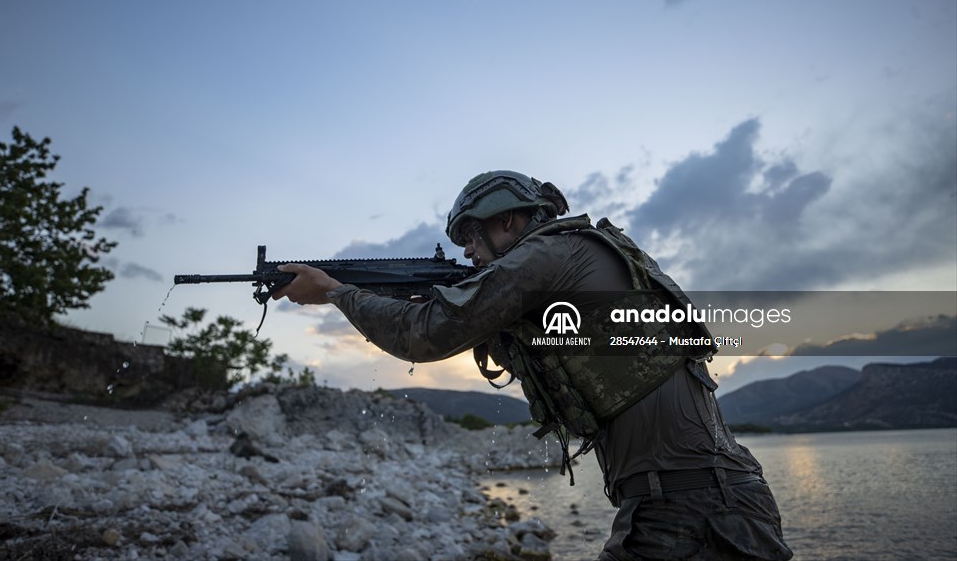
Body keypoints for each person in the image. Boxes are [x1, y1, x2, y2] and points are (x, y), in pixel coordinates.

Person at [274, 170, 793, 561]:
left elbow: (427, 333)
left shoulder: (551, 255)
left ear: (509, 220)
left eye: (473, 238)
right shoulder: (565, 272)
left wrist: (338, 293)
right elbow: (514, 346)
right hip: (698, 501)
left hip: (695, 507)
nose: (472, 255)